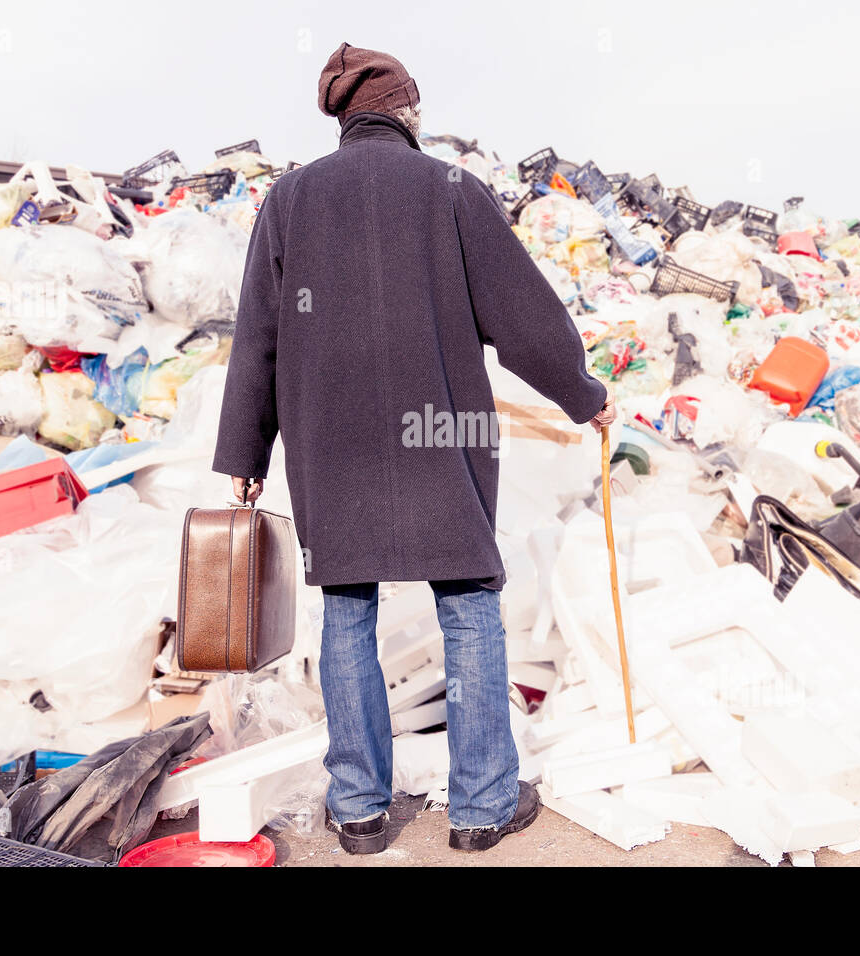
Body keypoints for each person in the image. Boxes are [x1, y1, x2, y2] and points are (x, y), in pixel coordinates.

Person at [212, 41, 616, 854]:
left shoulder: (289, 199)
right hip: (442, 436)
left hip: (332, 445)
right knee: (468, 602)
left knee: (349, 609)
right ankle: (480, 808)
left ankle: (358, 809)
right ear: (403, 111)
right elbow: (522, 312)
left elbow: (257, 337)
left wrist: (244, 459)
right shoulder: (449, 189)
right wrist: (585, 394)